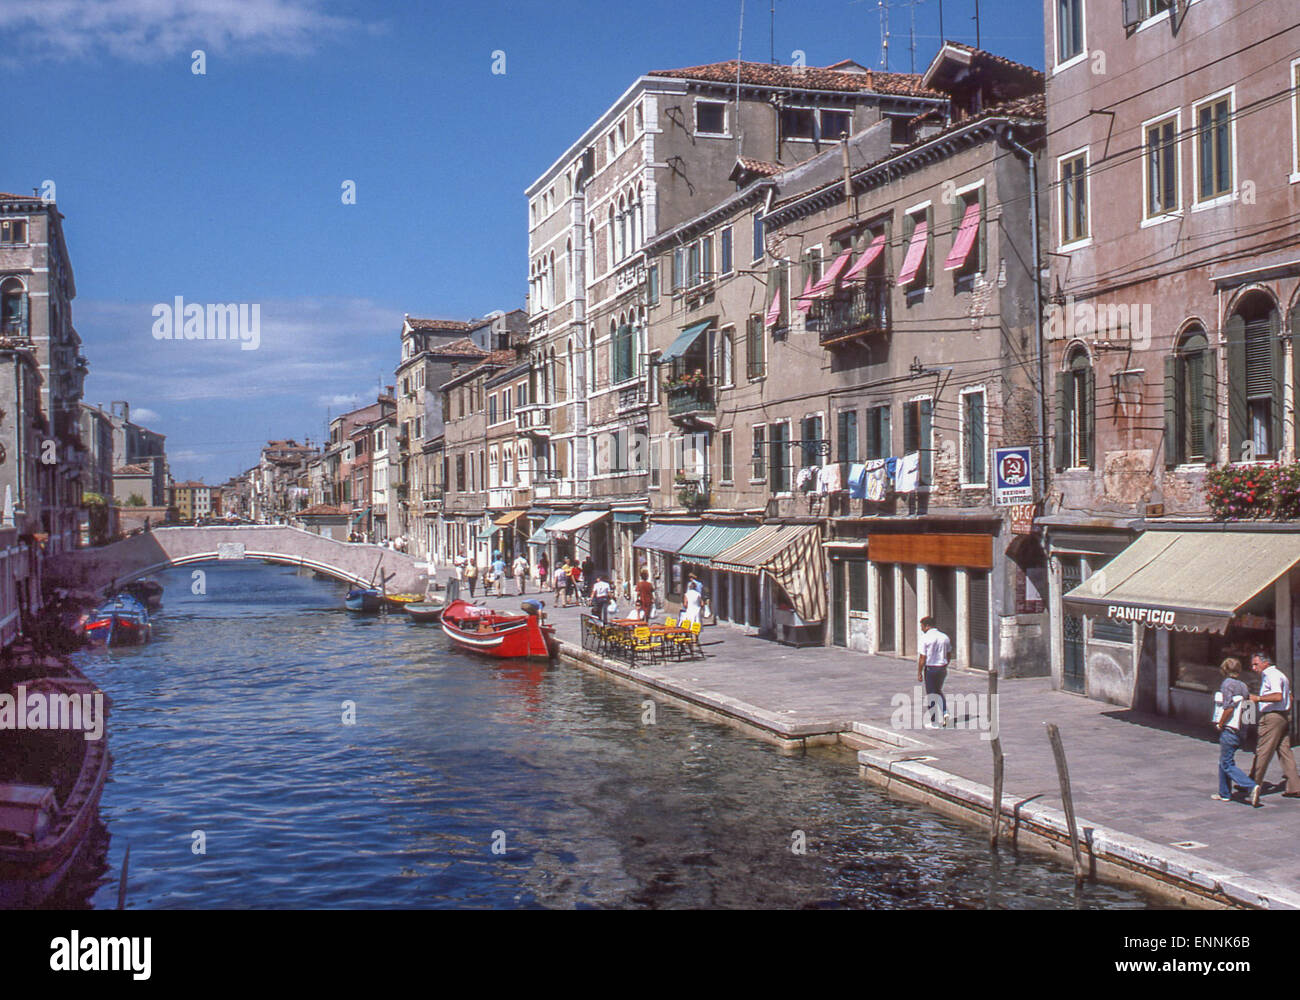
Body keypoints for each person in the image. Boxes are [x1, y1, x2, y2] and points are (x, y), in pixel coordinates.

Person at [1249, 652, 1300, 796]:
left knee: (1263, 750)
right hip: (1282, 716)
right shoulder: (1280, 675)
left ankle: (1253, 784)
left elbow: (1277, 696)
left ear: (1266, 663)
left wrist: (1257, 698)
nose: (1254, 668)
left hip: (1272, 717)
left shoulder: (1271, 675)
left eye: (1256, 664)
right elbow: (1288, 696)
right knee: (1285, 752)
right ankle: (1295, 786)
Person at [1213, 658, 1261, 806]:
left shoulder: (1227, 684)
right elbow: (1248, 709)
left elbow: (1228, 707)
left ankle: (1250, 786)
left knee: (1227, 763)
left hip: (1230, 728)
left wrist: (1220, 723)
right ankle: (1224, 793)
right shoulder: (1243, 685)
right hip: (1241, 730)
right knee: (1224, 761)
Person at [917, 616, 952, 728]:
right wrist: (946, 664)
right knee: (938, 690)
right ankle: (945, 712)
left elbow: (922, 657)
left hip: (931, 668)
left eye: (922, 626)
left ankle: (934, 722)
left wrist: (919, 672)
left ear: (927, 626)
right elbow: (949, 654)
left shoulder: (925, 638)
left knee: (931, 694)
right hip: (942, 668)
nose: (921, 628)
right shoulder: (944, 637)